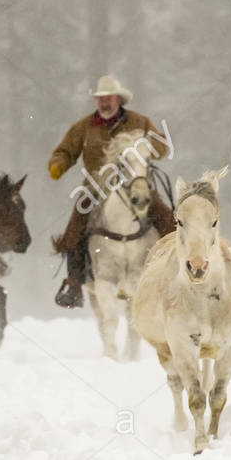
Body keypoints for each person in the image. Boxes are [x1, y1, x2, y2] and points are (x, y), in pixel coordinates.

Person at [48, 75, 175, 308]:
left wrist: (148, 147)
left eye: (109, 98)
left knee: (169, 221)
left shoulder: (140, 122)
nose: (105, 103)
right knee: (73, 230)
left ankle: (177, 273)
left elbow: (162, 148)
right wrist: (58, 165)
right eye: (101, 99)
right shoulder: (84, 127)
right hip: (97, 186)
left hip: (137, 183)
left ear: (119, 99)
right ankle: (74, 285)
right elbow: (65, 151)